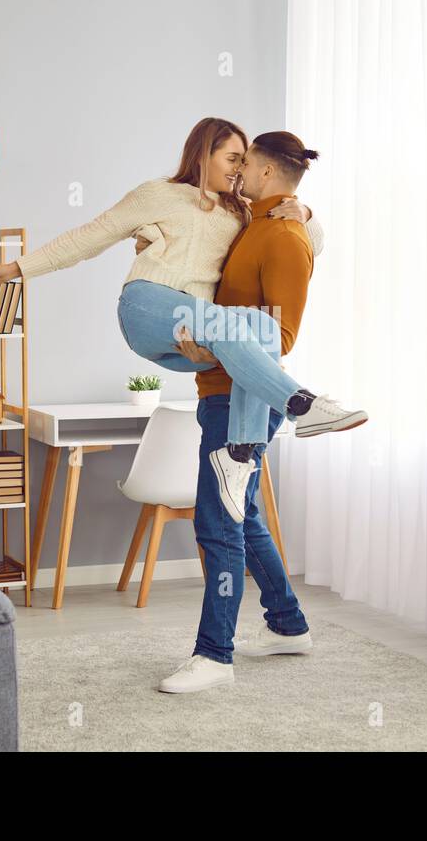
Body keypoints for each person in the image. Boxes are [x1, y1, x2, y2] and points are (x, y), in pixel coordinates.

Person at [0, 117, 367, 521]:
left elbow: (313, 243)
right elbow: (89, 238)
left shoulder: (241, 210)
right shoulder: (158, 195)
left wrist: (304, 209)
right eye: (233, 158)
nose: (238, 169)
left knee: (265, 328)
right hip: (149, 306)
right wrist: (15, 269)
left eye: (243, 162)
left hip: (196, 333)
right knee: (235, 325)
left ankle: (238, 455)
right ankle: (300, 404)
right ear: (203, 155)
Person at [155, 131, 320, 694]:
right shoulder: (253, 223)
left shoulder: (283, 237)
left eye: (245, 165)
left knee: (217, 522)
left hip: (242, 400)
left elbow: (282, 337)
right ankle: (289, 624)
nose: (237, 173)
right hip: (219, 391)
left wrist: (219, 345)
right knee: (242, 517)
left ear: (268, 173)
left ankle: (214, 655)